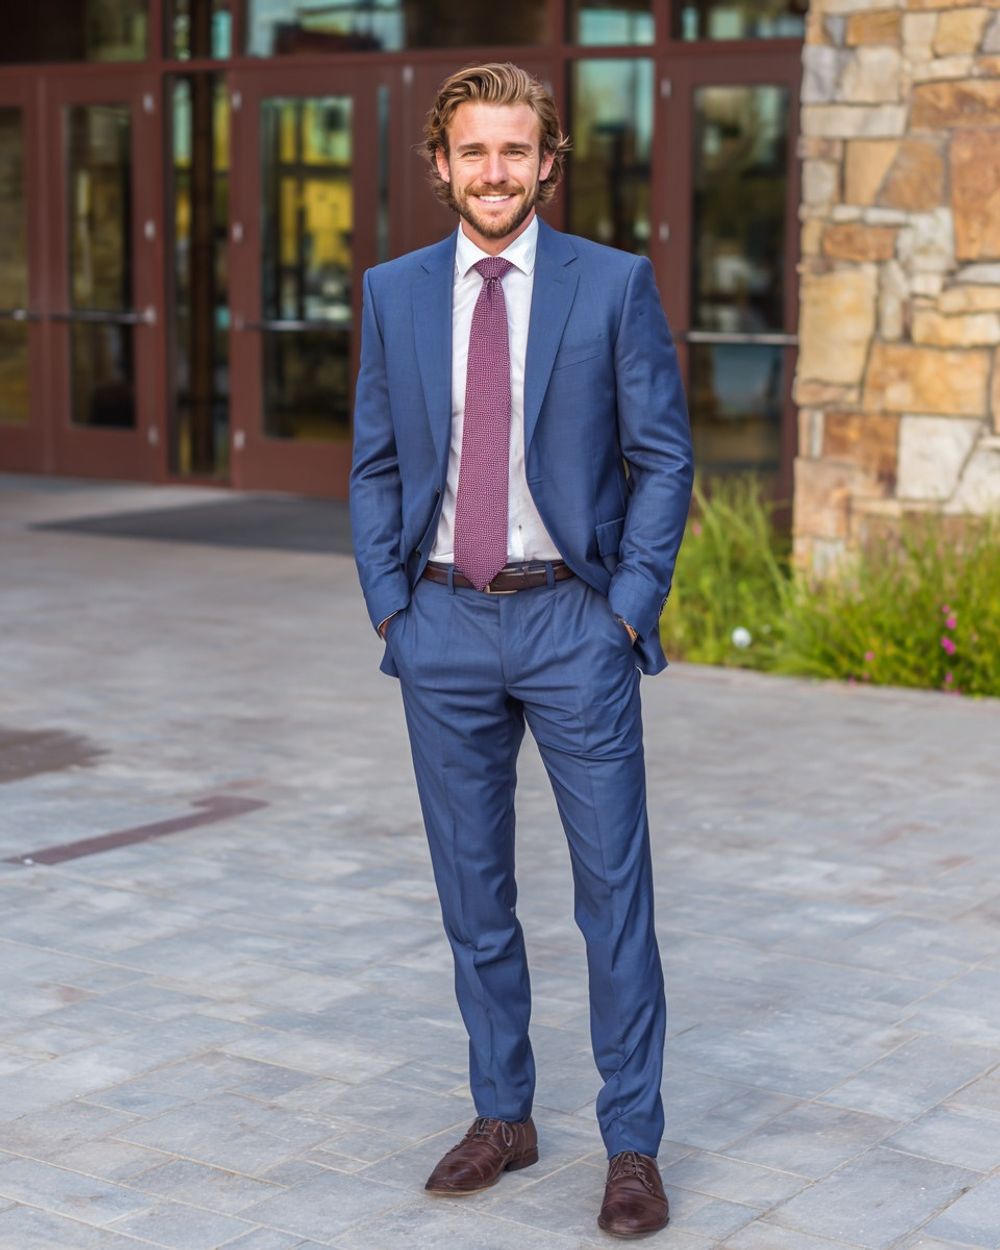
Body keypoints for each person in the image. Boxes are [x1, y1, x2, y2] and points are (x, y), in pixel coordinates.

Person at [350, 62, 693, 1239]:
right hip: (441, 622)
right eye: (471, 152)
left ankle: (632, 1143)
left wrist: (629, 611)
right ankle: (503, 1113)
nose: (493, 172)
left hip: (572, 624)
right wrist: (390, 604)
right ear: (439, 163)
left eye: (515, 152)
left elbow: (663, 455)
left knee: (614, 898)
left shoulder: (611, 285)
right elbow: (377, 459)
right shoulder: (393, 292)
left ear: (547, 161)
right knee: (473, 895)